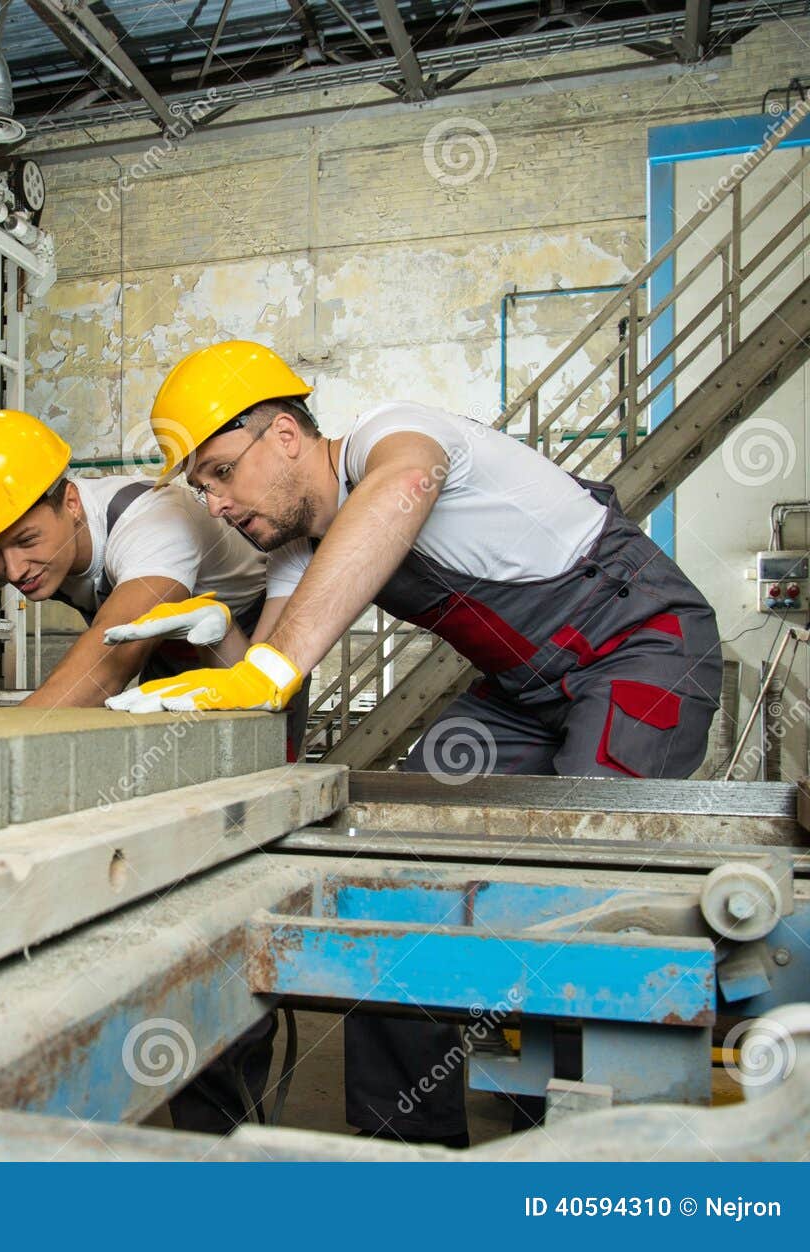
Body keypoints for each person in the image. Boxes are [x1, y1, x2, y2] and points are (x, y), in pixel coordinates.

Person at [107, 339, 722, 1144]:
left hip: (645, 646)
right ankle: (404, 1154)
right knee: (397, 888)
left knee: (582, 886)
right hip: (524, 695)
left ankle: (580, 1143)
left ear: (285, 435)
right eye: (200, 487)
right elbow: (276, 672)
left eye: (220, 471)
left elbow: (404, 486)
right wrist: (219, 638)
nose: (215, 503)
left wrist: (269, 660)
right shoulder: (300, 550)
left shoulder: (390, 439)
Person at [0, 407, 288, 711]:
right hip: (161, 648)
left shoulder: (153, 524)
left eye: (26, 542)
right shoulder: (12, 539)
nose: (14, 571)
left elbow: (107, 663)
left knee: (258, 756)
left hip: (248, 642)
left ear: (70, 502)